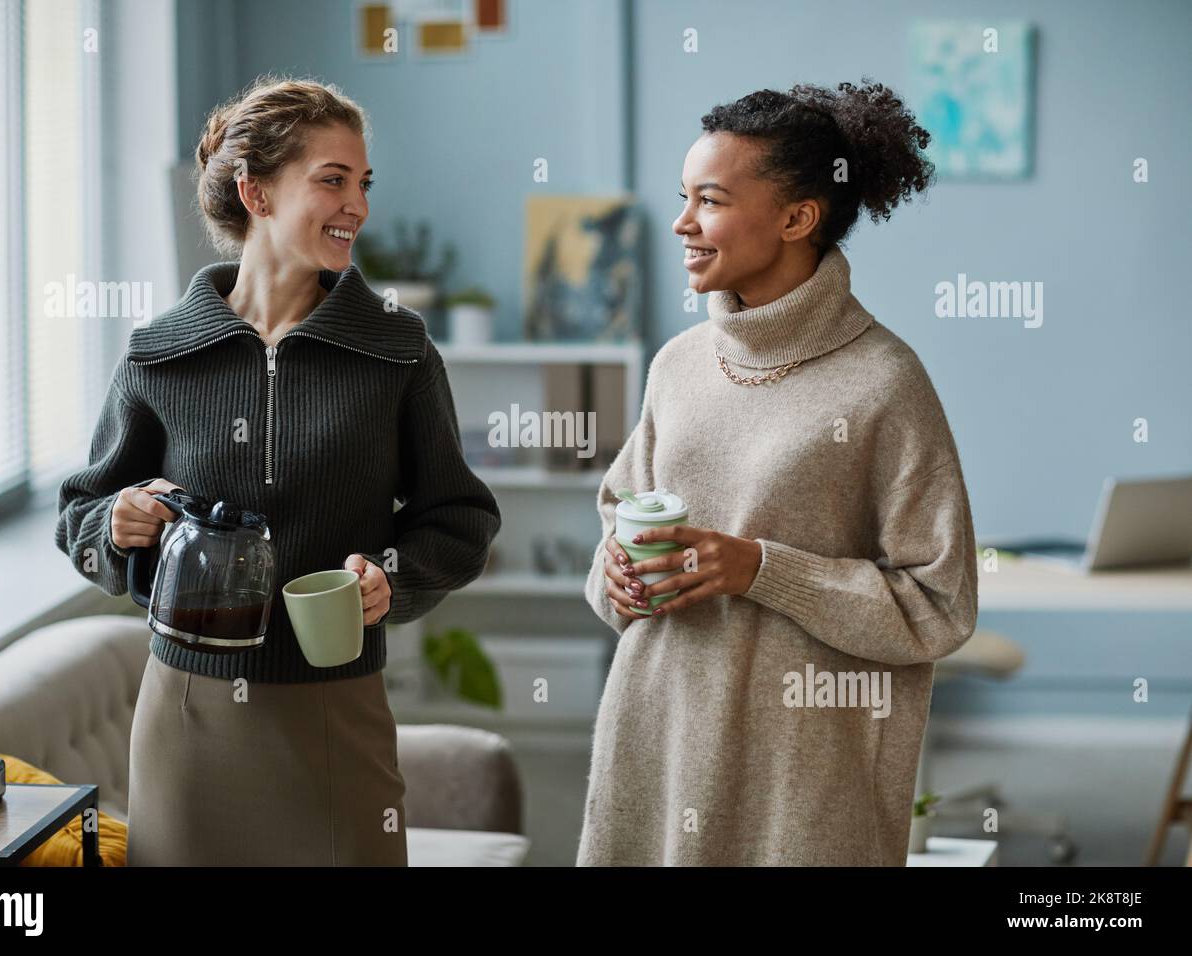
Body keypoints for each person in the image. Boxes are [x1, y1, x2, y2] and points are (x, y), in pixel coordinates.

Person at [54, 76, 501, 866]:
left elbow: (460, 517)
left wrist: (391, 577)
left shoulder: (396, 349)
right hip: (188, 717)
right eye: (331, 180)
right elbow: (82, 510)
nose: (356, 205)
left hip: (336, 708)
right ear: (255, 191)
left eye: (363, 183)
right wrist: (116, 522)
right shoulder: (160, 352)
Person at [578, 80, 979, 866]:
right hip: (655, 736)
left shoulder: (884, 382)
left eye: (711, 200)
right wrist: (615, 575)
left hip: (802, 770)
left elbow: (940, 605)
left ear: (798, 218)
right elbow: (616, 522)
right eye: (684, 197)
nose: (682, 223)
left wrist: (761, 569)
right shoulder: (678, 365)